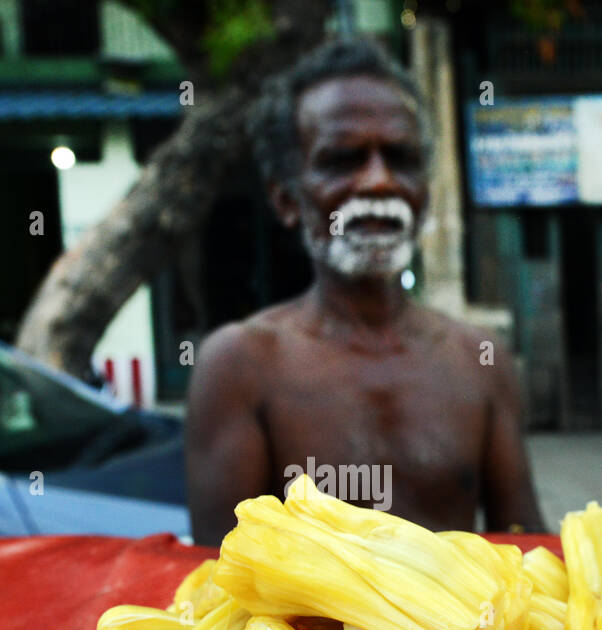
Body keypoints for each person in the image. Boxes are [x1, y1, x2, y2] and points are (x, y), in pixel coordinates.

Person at [184, 37, 547, 545]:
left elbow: (528, 549)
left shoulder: (479, 358)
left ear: (423, 192)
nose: (378, 182)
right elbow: (219, 581)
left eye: (400, 158)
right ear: (287, 199)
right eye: (342, 160)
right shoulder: (241, 365)